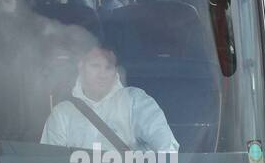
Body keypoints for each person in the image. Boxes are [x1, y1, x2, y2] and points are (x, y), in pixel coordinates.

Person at [40, 44, 178, 152]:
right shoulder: (62, 114)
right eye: (95, 66)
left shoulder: (135, 102)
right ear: (81, 66)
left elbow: (166, 148)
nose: (102, 74)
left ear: (115, 71)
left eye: (108, 67)